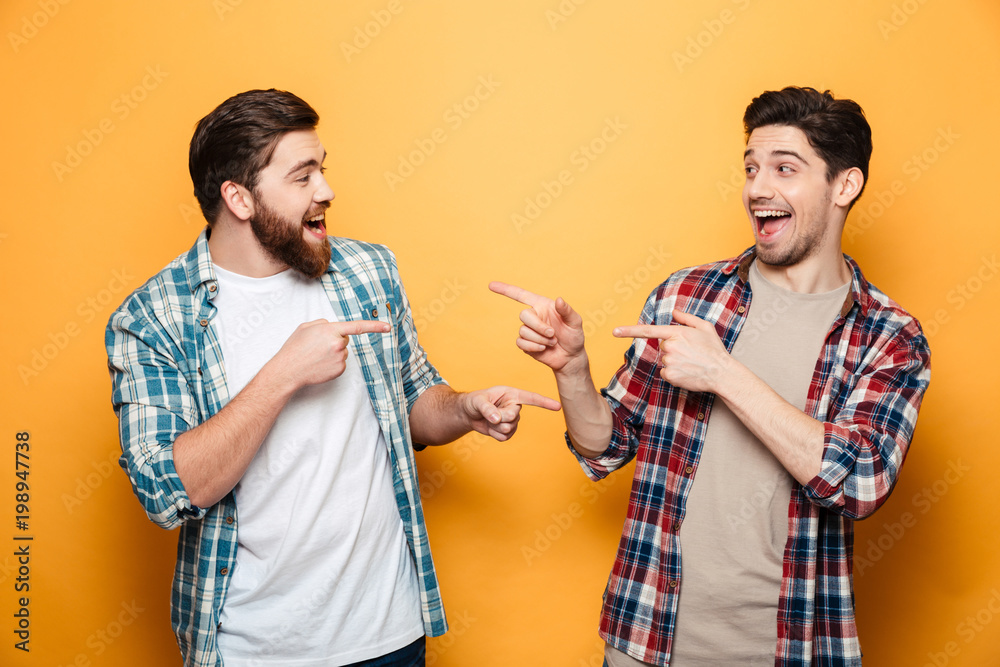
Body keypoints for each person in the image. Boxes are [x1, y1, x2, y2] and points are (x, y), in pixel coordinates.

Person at [105, 88, 559, 667]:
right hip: (254, 651)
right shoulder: (152, 320)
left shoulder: (367, 270)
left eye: (322, 169)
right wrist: (283, 375)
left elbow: (414, 396)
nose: (327, 190)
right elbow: (170, 492)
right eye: (303, 176)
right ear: (239, 199)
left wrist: (465, 409)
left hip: (389, 634)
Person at [491, 86, 930, 666]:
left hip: (786, 649)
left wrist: (723, 373)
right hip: (646, 637)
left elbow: (858, 483)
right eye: (751, 168)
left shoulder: (887, 335)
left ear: (844, 186)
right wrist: (572, 369)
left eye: (784, 169)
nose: (758, 189)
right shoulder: (688, 296)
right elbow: (607, 444)